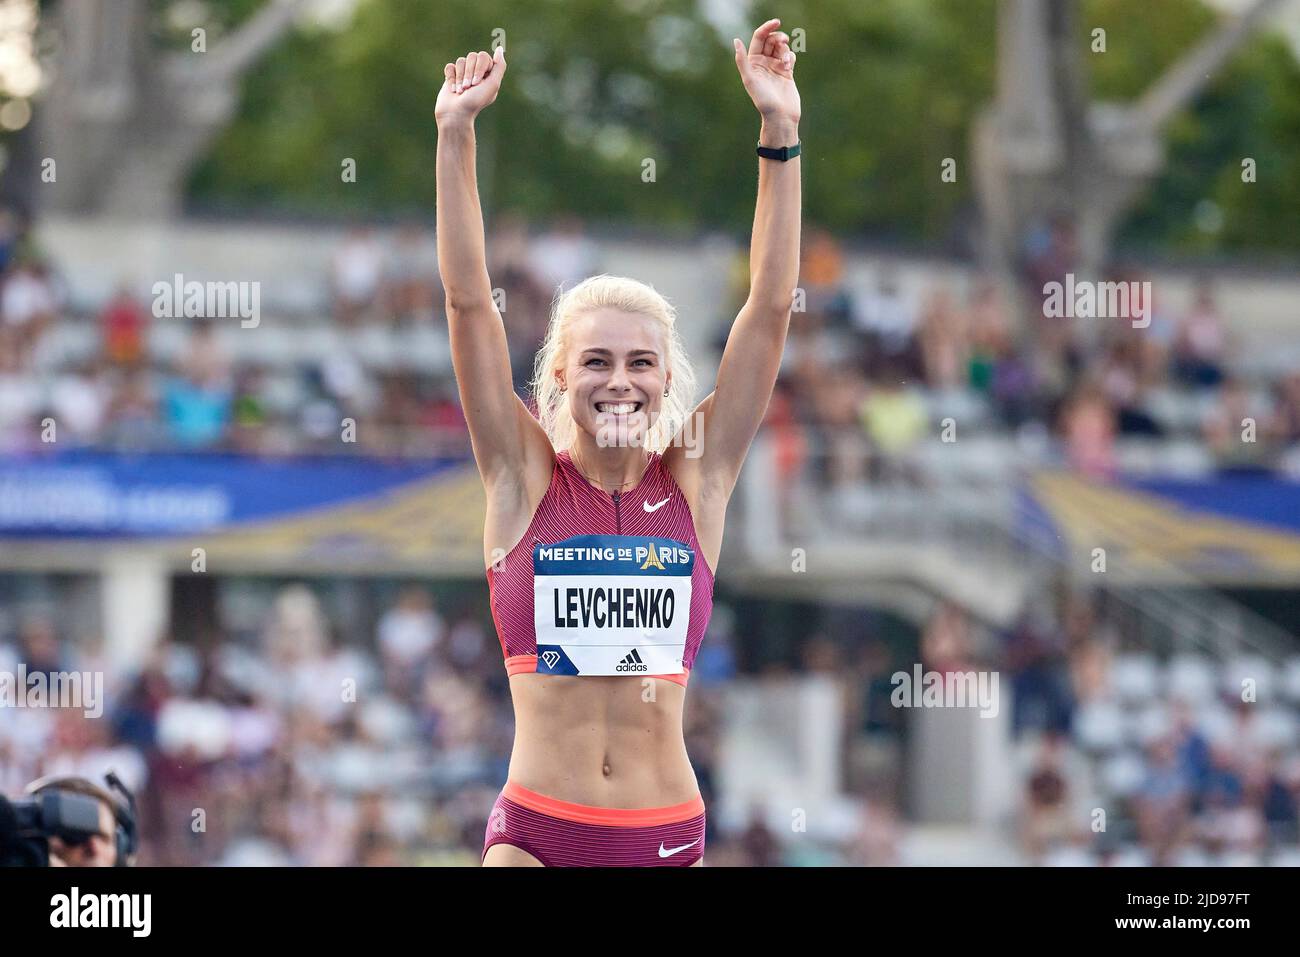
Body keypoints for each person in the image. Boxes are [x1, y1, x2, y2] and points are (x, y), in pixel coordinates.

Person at [435, 20, 801, 866]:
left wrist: (778, 133)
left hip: (663, 834)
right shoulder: (519, 476)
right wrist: (456, 136)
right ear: (560, 377)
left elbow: (771, 310)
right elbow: (467, 306)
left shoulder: (698, 481)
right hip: (536, 832)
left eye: (642, 363)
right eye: (596, 361)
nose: (620, 380)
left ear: (667, 380)